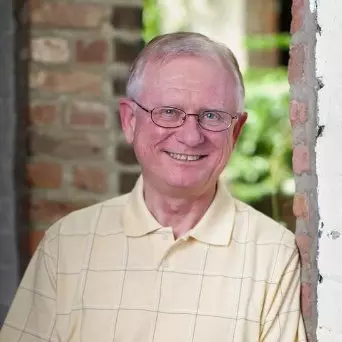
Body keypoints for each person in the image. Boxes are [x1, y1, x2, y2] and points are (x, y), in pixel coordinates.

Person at [0, 32, 306, 342]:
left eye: (211, 116)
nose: (190, 136)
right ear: (130, 120)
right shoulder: (66, 245)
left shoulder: (273, 255)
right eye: (169, 112)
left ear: (236, 130)